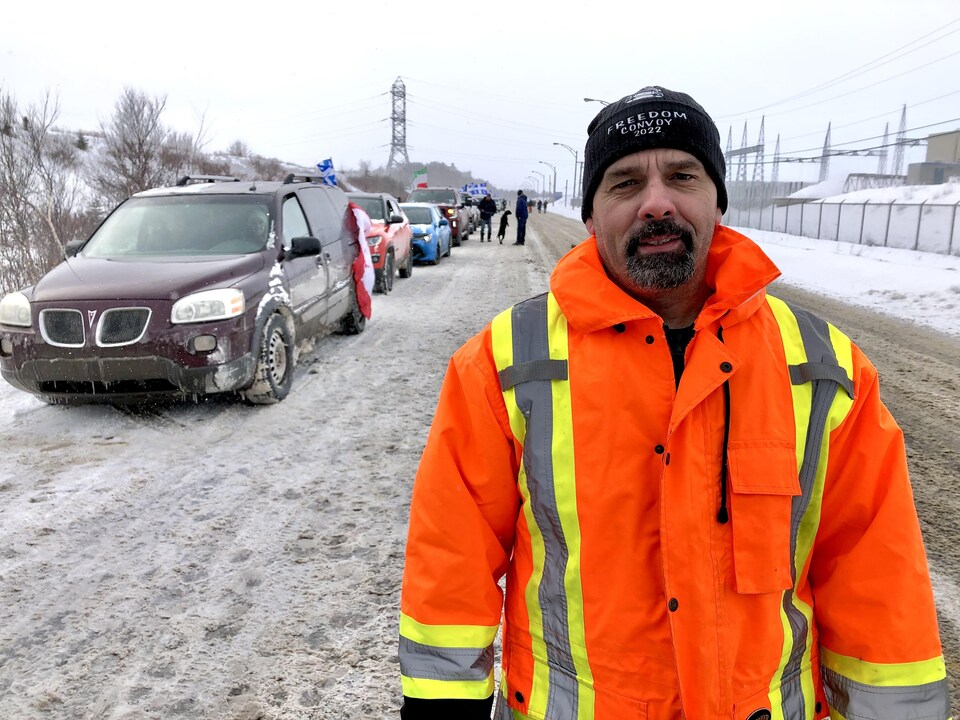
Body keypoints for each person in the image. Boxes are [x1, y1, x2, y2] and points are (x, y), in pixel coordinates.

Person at [398, 86, 950, 719]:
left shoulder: (826, 371)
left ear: (718, 199)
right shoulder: (501, 368)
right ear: (591, 215)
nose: (656, 202)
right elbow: (450, 572)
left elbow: (877, 586)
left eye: (682, 176)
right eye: (625, 183)